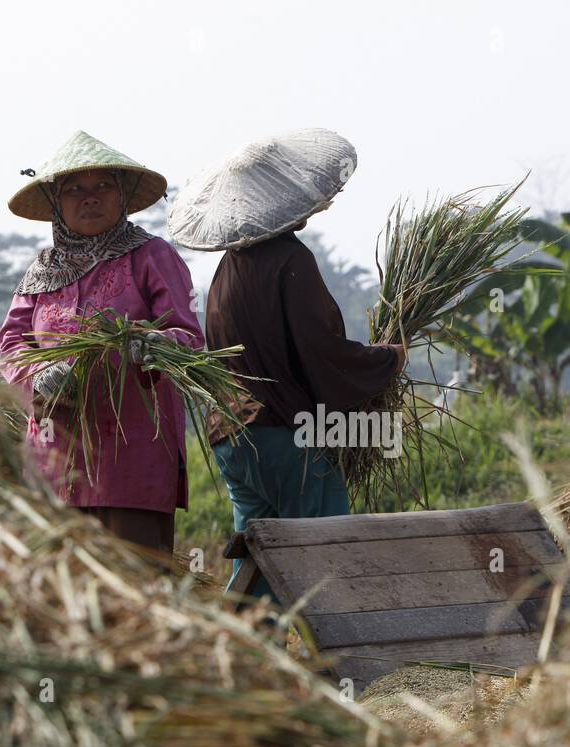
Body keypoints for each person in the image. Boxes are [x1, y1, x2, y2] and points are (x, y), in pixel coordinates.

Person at [168, 129, 405, 598]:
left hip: (232, 437)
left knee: (262, 558)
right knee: (326, 551)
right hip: (284, 437)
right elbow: (321, 350)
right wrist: (387, 359)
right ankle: (340, 659)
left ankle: (249, 653)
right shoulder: (288, 259)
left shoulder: (227, 270)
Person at [0, 130, 203, 557]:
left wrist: (149, 345)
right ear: (56, 202)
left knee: (137, 589)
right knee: (64, 591)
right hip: (56, 462)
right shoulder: (41, 270)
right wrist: (39, 378)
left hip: (133, 458)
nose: (89, 198)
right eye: (74, 189)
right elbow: (12, 344)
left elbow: (189, 338)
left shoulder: (151, 256)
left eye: (102, 186)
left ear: (123, 195)